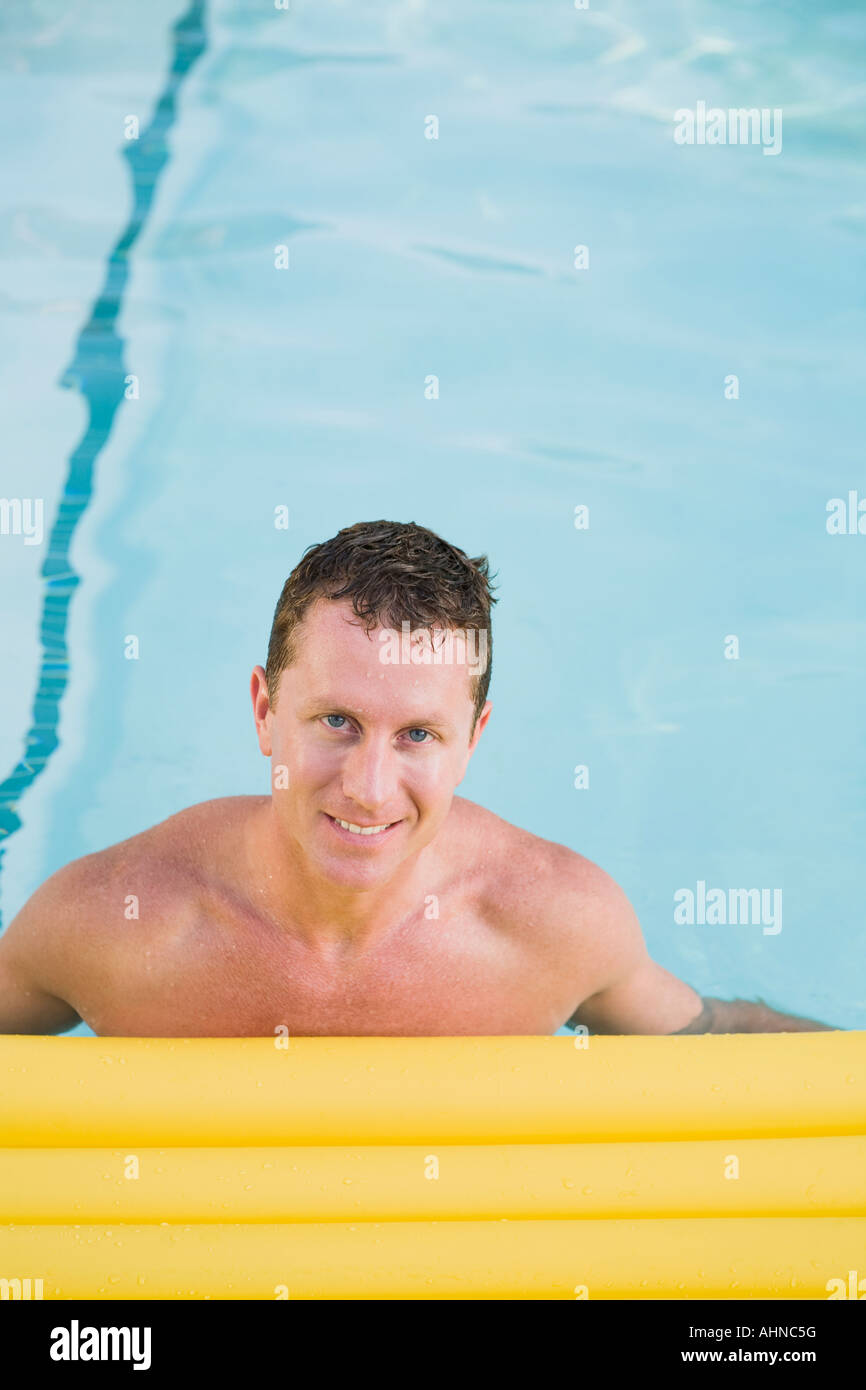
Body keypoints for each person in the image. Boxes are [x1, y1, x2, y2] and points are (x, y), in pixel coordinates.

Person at [0, 520, 832, 1036]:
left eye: (419, 735)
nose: (367, 786)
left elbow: (713, 1033)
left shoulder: (552, 925)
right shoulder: (116, 923)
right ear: (264, 710)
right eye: (337, 722)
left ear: (473, 740)